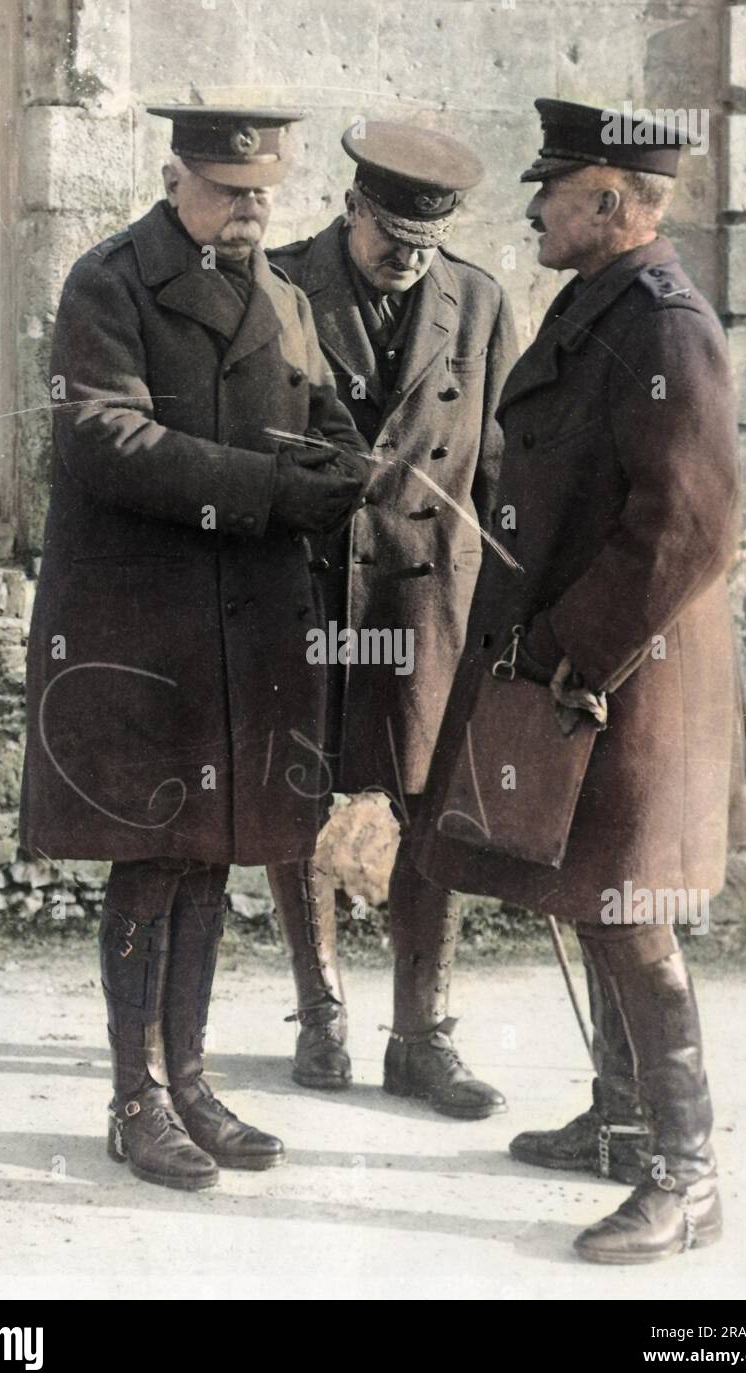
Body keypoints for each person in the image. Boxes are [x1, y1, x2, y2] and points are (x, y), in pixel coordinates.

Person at [413, 99, 746, 1260]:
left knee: (632, 915)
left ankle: (688, 1175)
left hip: (633, 677)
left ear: (613, 202)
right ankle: (624, 1120)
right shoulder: (601, 304)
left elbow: (693, 527)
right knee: (590, 894)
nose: (532, 209)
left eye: (552, 189)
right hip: (595, 671)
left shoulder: (668, 325)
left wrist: (572, 649)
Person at [19, 106, 369, 1190]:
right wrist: (271, 490)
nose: (249, 208)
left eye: (263, 192)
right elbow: (103, 437)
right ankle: (135, 1099)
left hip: (247, 622)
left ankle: (193, 1079)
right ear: (176, 180)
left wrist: (347, 470)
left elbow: (325, 416)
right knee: (152, 854)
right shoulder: (108, 282)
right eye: (226, 190)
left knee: (217, 849)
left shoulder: (286, 299)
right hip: (145, 621)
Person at [267, 121, 517, 1117]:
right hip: (309, 589)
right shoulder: (279, 288)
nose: (407, 259)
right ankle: (319, 1008)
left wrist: (506, 599)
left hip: (423, 601)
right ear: (352, 206)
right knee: (298, 800)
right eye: (389, 237)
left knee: (430, 810)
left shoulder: (482, 303)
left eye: (425, 243)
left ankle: (423, 1032)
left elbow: (502, 465)